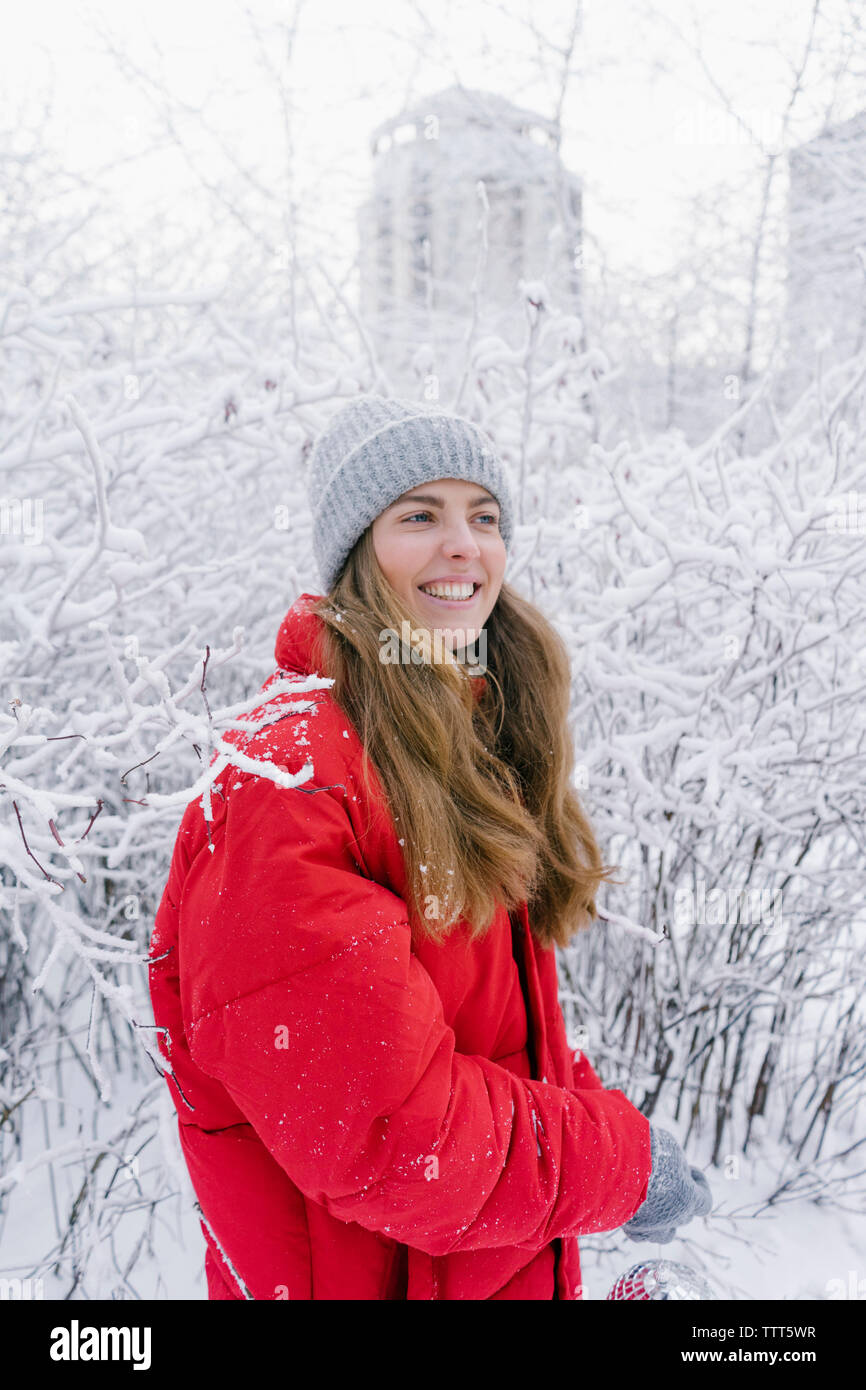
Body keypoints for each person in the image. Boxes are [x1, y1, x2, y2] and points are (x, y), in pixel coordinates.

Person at [148, 393, 712, 1301]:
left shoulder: (448, 738)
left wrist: (590, 1115)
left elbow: (484, 1029)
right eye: (420, 515)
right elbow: (401, 1139)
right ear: (354, 554)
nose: (466, 546)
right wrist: (615, 1164)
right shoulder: (289, 780)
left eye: (483, 516)